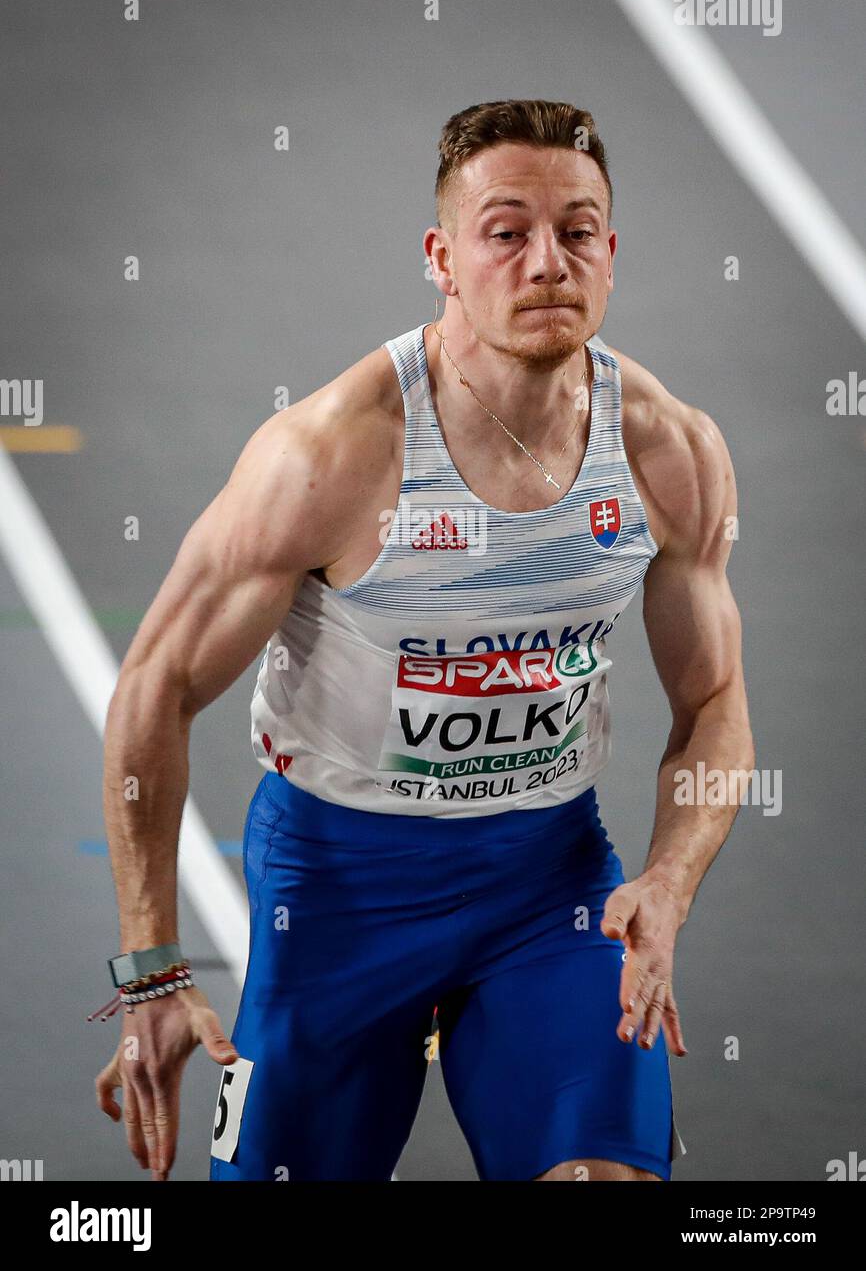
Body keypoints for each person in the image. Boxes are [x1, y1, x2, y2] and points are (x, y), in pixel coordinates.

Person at [95, 99, 754, 1182]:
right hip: (339, 887)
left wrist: (669, 881)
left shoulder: (668, 450)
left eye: (576, 230)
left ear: (610, 250)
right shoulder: (330, 454)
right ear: (441, 258)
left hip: (549, 883)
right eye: (505, 232)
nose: (546, 261)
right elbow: (154, 688)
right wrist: (150, 972)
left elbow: (714, 701)